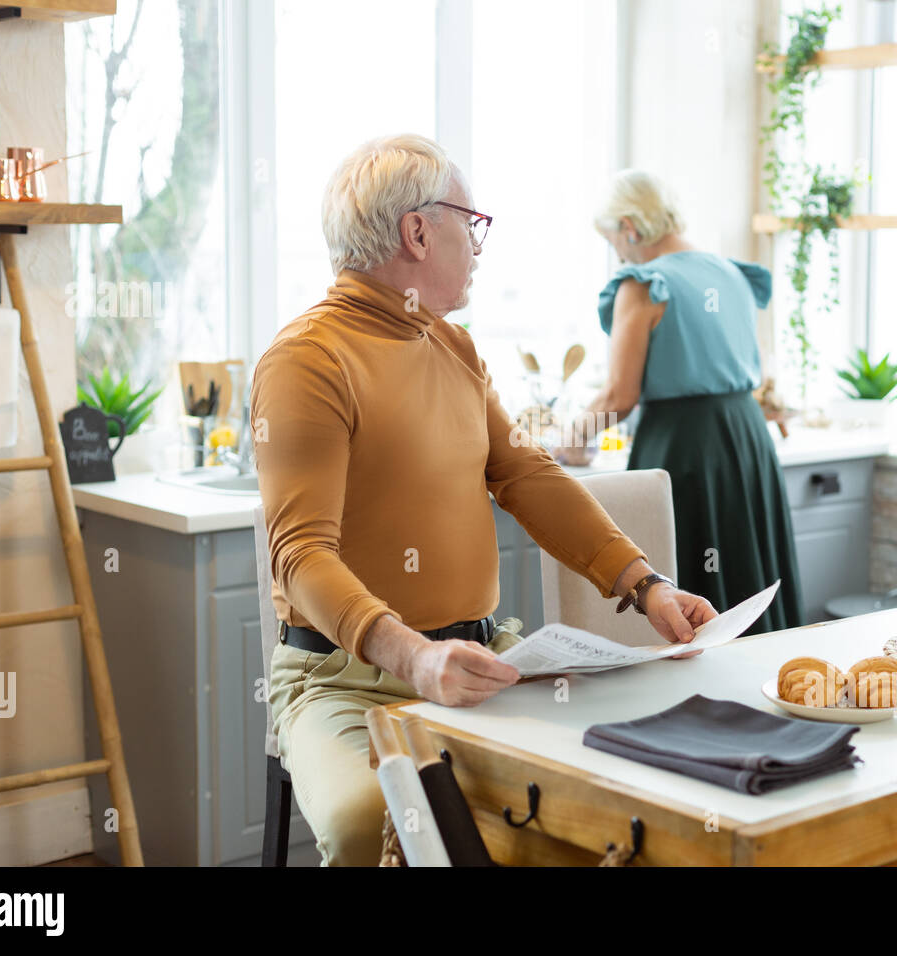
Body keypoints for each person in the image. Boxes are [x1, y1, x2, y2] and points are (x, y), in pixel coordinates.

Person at [250, 136, 717, 866]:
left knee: (593, 794)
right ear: (417, 231)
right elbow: (300, 554)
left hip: (483, 657)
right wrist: (413, 656)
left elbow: (525, 475)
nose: (477, 243)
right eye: (471, 222)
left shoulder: (452, 346)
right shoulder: (308, 358)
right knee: (365, 821)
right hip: (345, 682)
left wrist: (644, 583)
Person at [574, 169, 803, 636]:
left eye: (613, 239)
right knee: (742, 573)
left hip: (685, 447)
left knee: (684, 592)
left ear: (630, 228)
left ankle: (690, 697)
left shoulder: (643, 282)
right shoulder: (731, 273)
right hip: (747, 438)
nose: (617, 251)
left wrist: (565, 438)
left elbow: (619, 395)